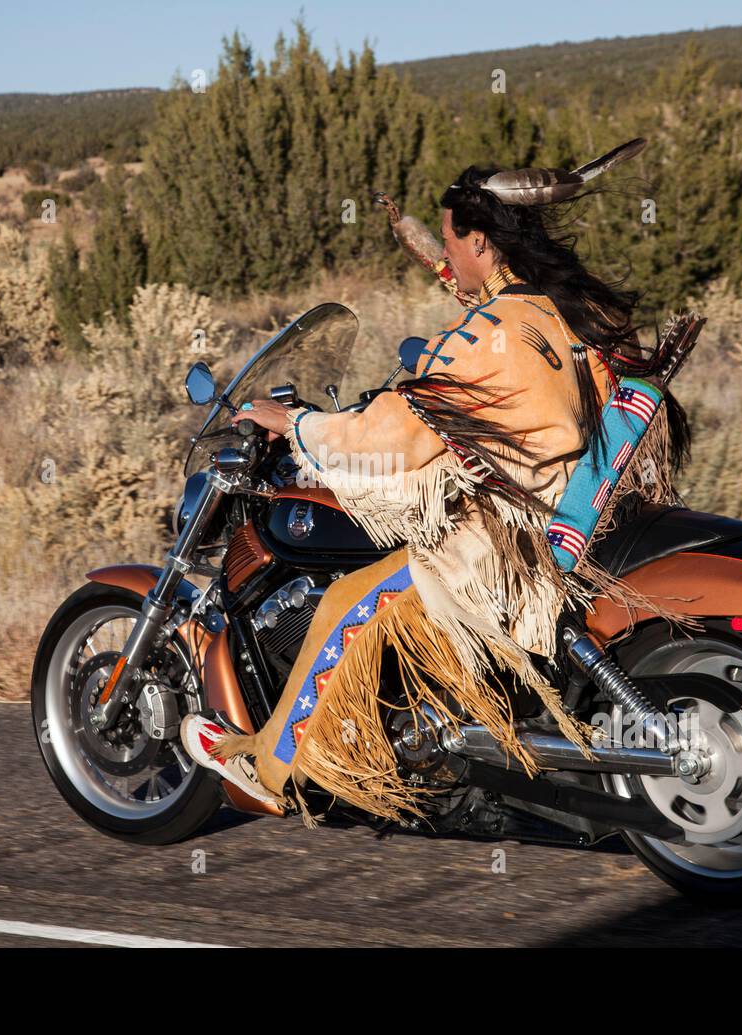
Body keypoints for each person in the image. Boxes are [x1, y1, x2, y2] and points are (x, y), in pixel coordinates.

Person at [182, 145, 690, 824]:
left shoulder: (489, 333)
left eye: (453, 240)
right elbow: (476, 313)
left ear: (480, 238)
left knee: (343, 605)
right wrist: (420, 250)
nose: (447, 259)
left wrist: (298, 424)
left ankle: (271, 768)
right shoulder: (558, 310)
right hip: (558, 514)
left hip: (499, 549)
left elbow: (394, 435)